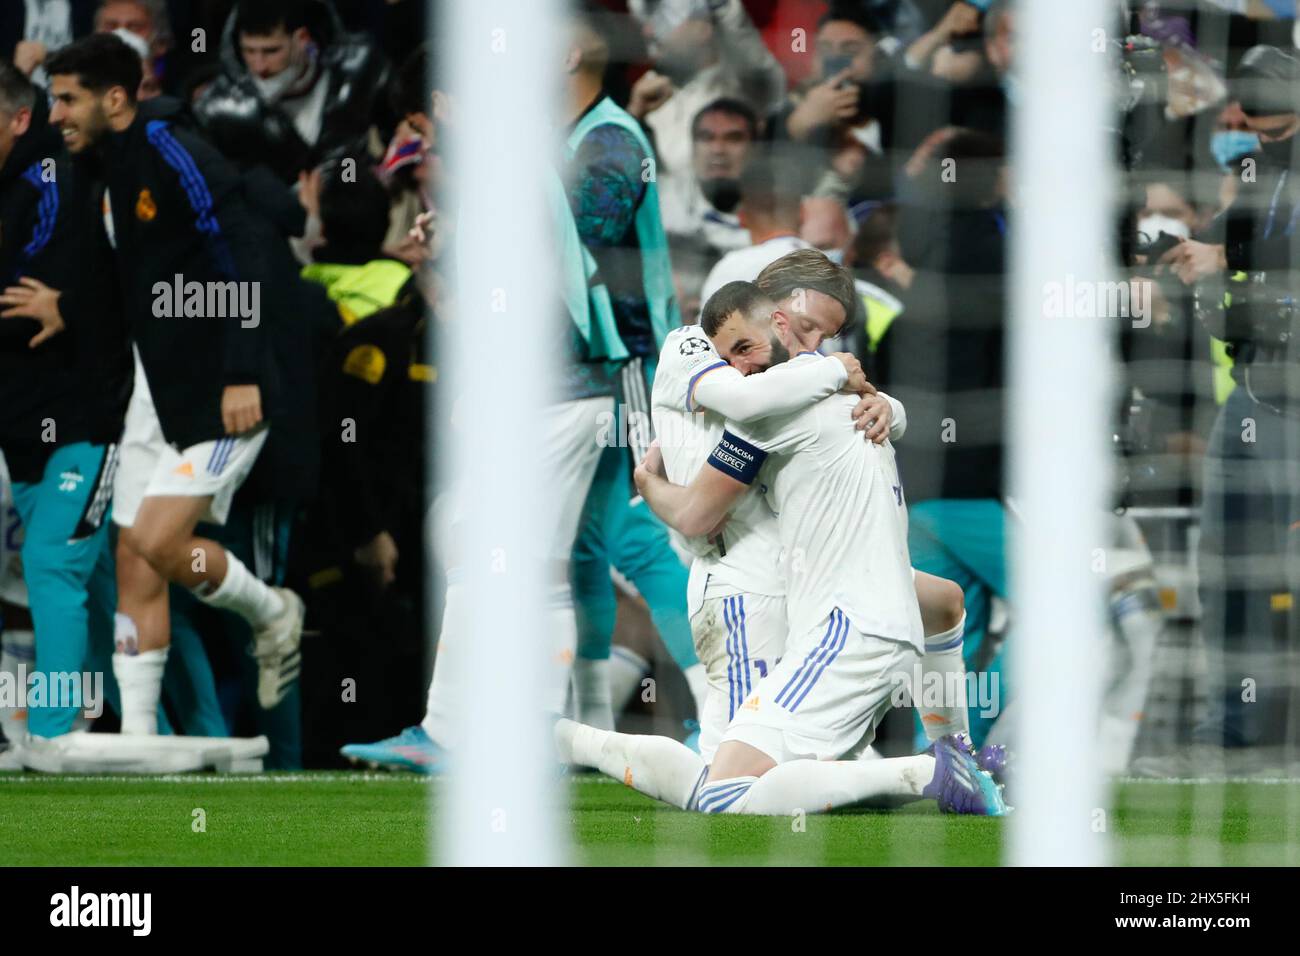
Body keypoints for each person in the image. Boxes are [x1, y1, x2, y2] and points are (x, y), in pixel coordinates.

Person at [560, 260, 1005, 816]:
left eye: (828, 336)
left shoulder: (790, 384)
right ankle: (939, 766)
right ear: (771, 304)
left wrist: (887, 406)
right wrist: (648, 485)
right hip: (748, 588)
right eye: (808, 324)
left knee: (940, 601)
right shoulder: (698, 348)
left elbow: (828, 402)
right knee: (733, 790)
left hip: (798, 581)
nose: (815, 344)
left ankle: (947, 757)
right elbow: (705, 504)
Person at [42, 33, 302, 740]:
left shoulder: (170, 145)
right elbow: (134, 289)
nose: (56, 113)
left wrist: (243, 369)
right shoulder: (102, 168)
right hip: (151, 397)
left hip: (221, 394)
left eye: (68, 98)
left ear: (115, 98)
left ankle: (273, 612)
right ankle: (142, 739)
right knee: (133, 557)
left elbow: (239, 248)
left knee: (159, 543)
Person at [1153, 45, 1300, 772]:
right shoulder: (1260, 175)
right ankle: (1229, 732)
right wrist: (1195, 256)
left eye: (1278, 125)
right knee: (1227, 568)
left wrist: (1228, 273)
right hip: (1252, 392)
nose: (1264, 137)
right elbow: (1233, 269)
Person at [563, 10, 705, 732]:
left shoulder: (612, 139)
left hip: (621, 364)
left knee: (633, 533)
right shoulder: (570, 137)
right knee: (586, 543)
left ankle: (724, 703)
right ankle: (588, 724)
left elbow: (577, 247)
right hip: (580, 372)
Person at [0, 62, 126, 745]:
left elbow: (27, 302)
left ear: (19, 119)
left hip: (83, 419)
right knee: (98, 590)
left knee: (51, 564)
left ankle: (51, 738)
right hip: (22, 425)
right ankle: (156, 727)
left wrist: (60, 306)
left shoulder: (52, 179)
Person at [191, 0, 390, 183]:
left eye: (271, 51)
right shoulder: (219, 111)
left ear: (302, 39)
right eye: (249, 51)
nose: (259, 67)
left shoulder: (360, 71)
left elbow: (397, 133)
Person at [660, 98, 758, 259]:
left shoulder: (781, 210)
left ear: (755, 149)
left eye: (733, 138)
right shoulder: (664, 202)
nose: (718, 149)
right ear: (693, 147)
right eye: (707, 138)